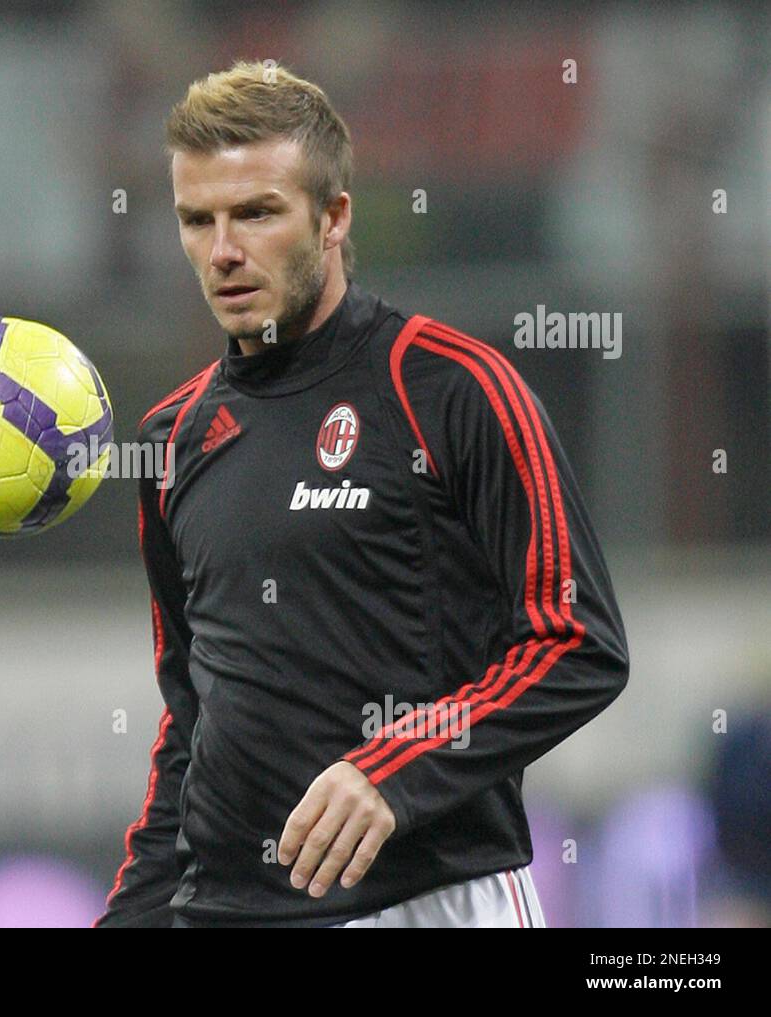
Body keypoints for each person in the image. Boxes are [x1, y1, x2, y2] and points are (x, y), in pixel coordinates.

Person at [94, 61, 629, 928]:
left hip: (426, 901)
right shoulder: (173, 437)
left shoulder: (452, 388)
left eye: (257, 213)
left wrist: (396, 768)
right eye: (199, 220)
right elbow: (192, 713)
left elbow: (579, 642)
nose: (223, 250)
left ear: (335, 216)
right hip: (226, 911)